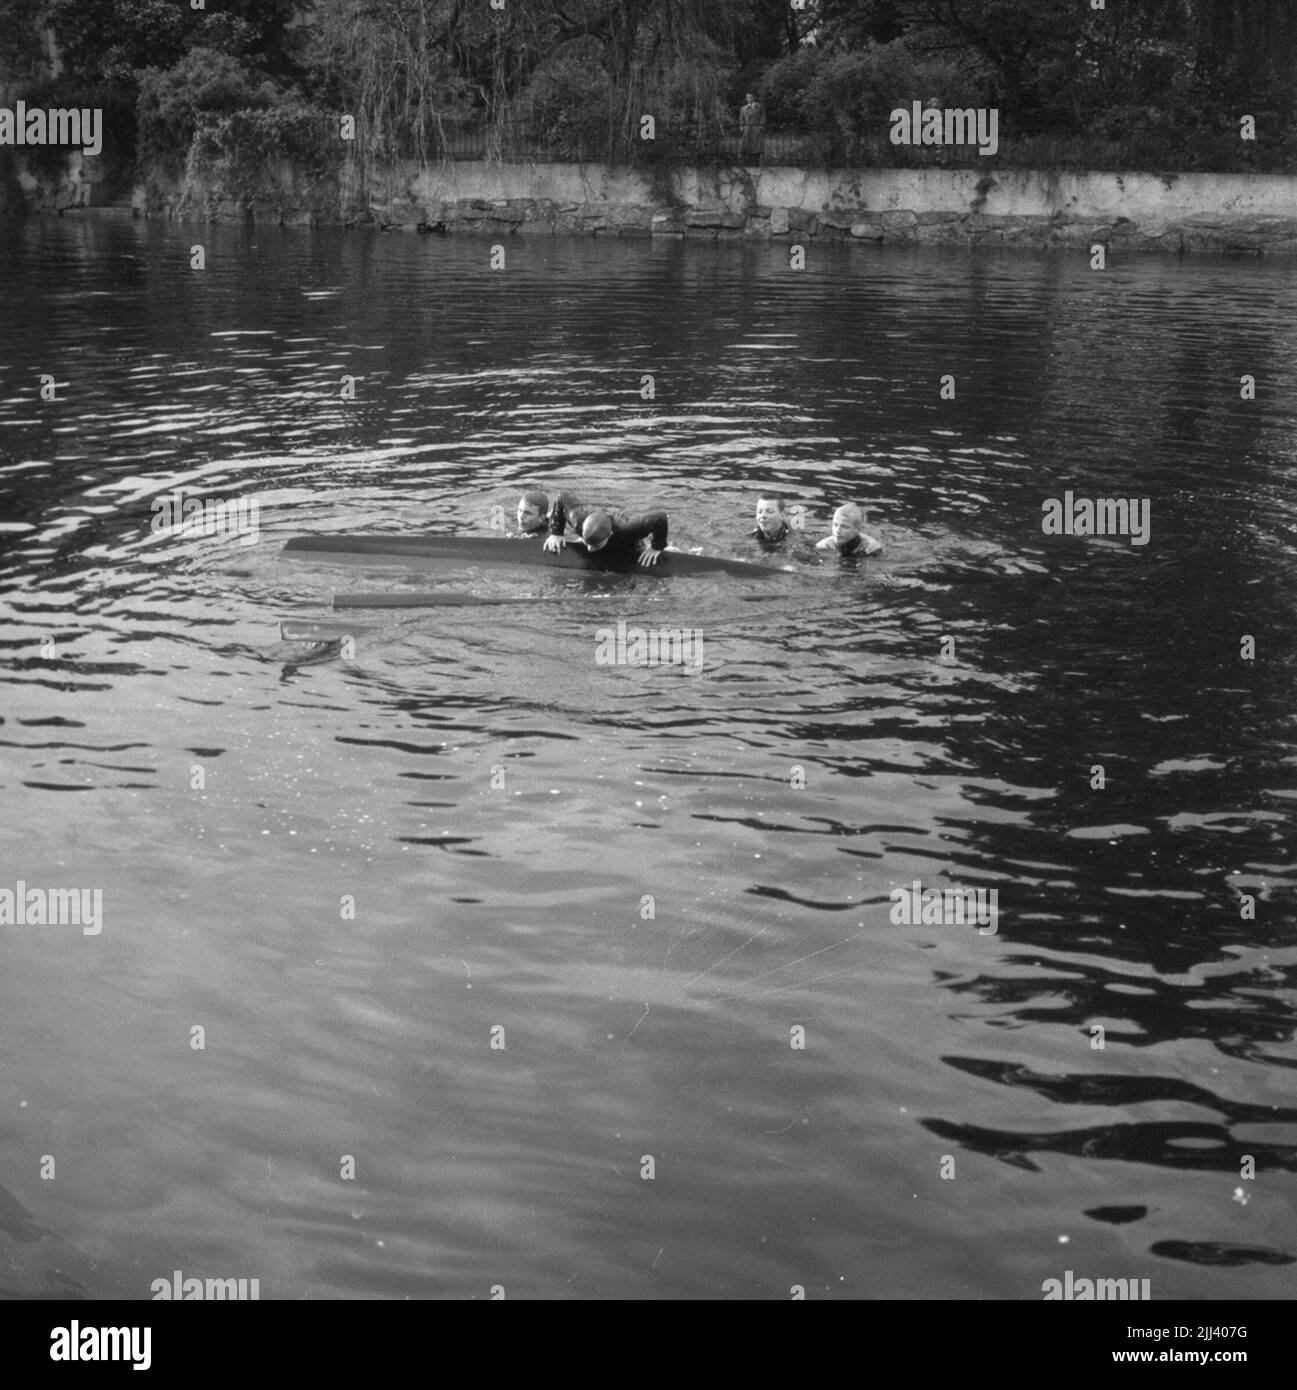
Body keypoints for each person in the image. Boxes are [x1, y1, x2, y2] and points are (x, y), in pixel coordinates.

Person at [543, 490, 669, 567]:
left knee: (634, 543)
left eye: (595, 545)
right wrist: (556, 532)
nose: (590, 550)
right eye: (587, 542)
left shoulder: (627, 529)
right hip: (594, 518)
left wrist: (657, 546)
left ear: (609, 535)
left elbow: (660, 518)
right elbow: (562, 497)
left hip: (622, 534)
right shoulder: (577, 519)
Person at [816, 503, 881, 557]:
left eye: (844, 527)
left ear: (857, 529)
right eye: (835, 525)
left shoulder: (871, 549)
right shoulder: (823, 546)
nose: (837, 531)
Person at [739, 92, 766, 162]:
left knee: (756, 146)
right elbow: (741, 119)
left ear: (754, 98)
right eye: (748, 97)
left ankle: (756, 160)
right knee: (746, 145)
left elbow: (763, 117)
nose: (749, 99)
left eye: (751, 97)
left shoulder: (760, 107)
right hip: (747, 130)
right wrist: (742, 128)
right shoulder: (743, 109)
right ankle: (747, 160)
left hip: (756, 129)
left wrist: (760, 127)